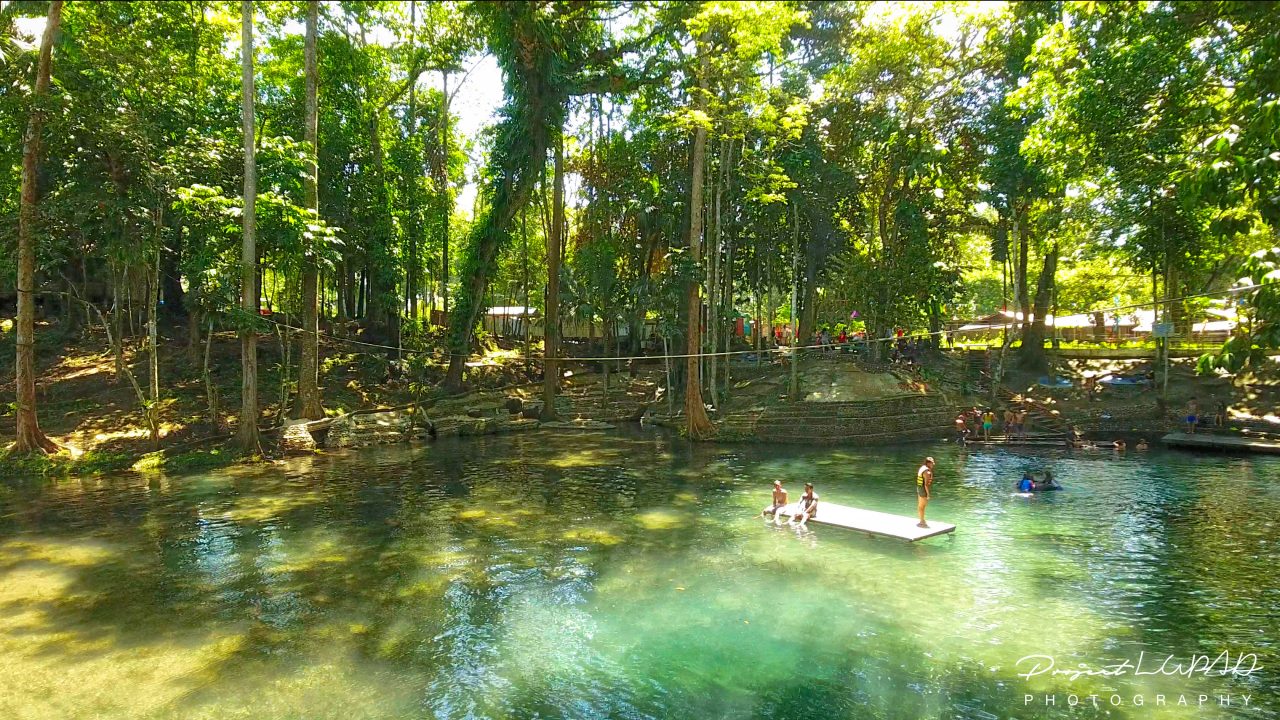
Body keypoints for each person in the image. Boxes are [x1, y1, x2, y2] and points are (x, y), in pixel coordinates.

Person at [916, 457, 935, 528]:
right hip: (923, 490)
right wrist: (928, 495)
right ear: (928, 463)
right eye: (932, 463)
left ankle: (922, 521)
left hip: (919, 488)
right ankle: (922, 522)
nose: (933, 464)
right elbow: (926, 485)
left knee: (920, 506)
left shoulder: (922, 467)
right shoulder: (926, 472)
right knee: (922, 506)